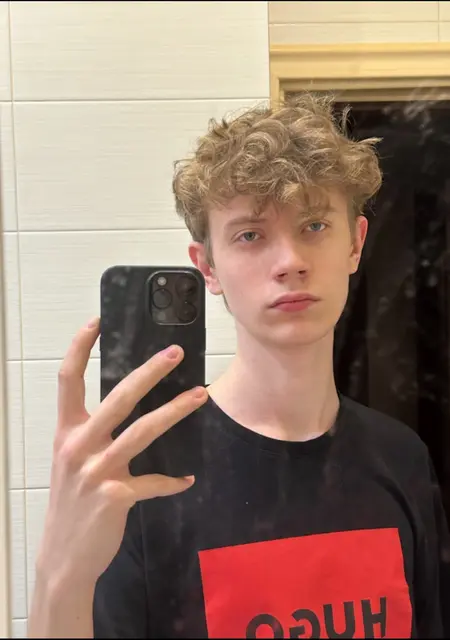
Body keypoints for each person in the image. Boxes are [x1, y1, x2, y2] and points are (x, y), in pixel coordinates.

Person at [28, 93, 450, 639]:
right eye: (251, 235)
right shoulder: (144, 473)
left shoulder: (402, 458)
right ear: (207, 267)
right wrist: (60, 572)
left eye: (314, 226)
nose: (290, 262)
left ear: (355, 243)